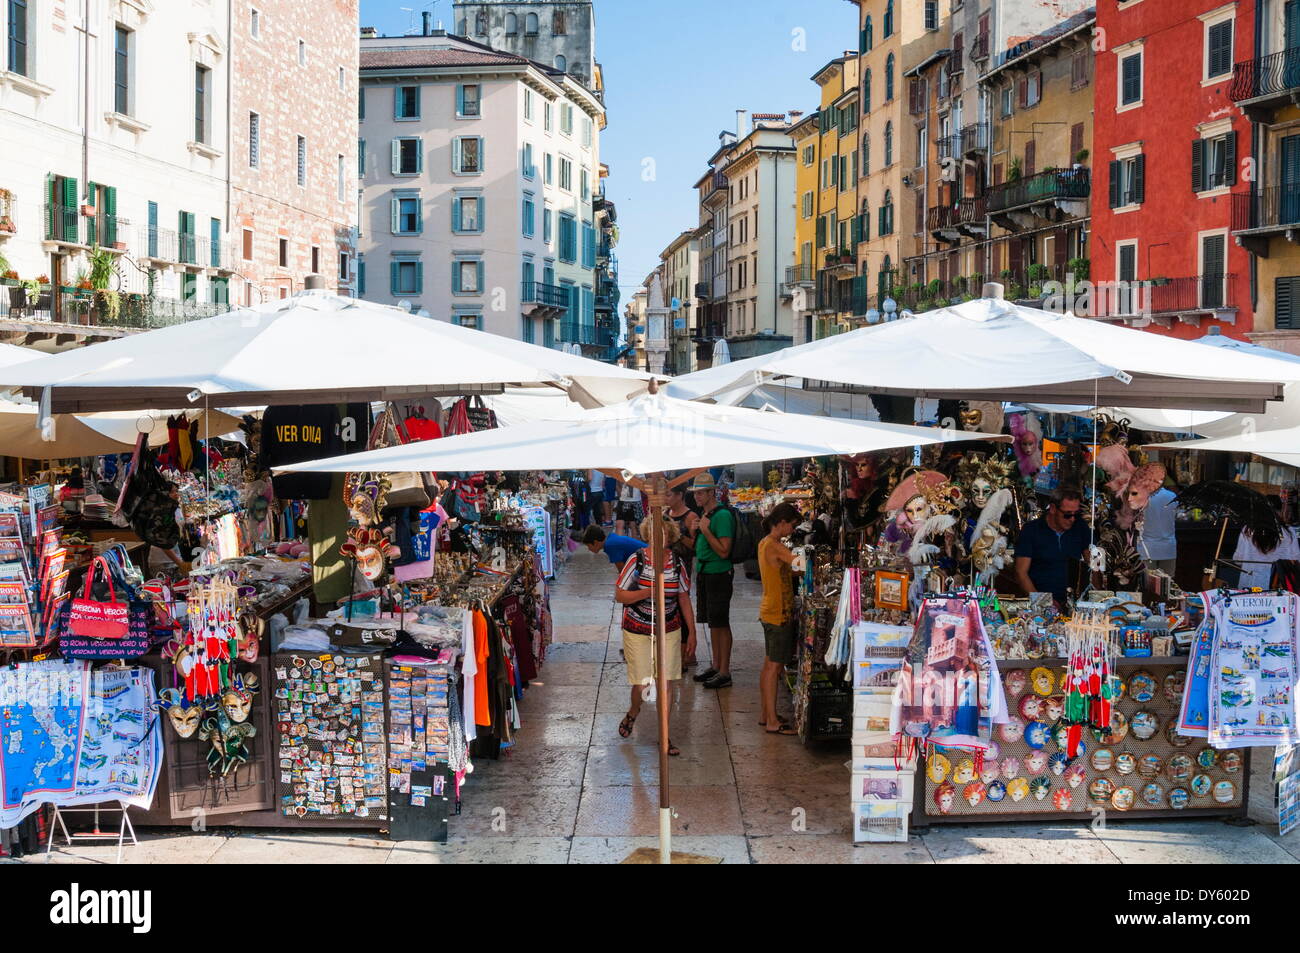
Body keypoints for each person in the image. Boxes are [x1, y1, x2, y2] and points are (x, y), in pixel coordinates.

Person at [614, 516, 696, 757]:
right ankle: (633, 711)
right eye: (654, 533)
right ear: (648, 535)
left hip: (669, 627)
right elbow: (620, 595)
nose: (658, 537)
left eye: (663, 533)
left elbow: (683, 597)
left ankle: (664, 736)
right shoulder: (636, 559)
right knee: (642, 683)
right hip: (637, 628)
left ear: (669, 536)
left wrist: (692, 632)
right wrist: (648, 591)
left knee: (667, 682)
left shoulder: (677, 563)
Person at [758, 502, 801, 735]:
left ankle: (766, 714)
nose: (793, 530)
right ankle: (773, 721)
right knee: (775, 667)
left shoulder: (767, 543)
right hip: (777, 613)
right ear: (782, 522)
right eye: (792, 526)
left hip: (770, 611)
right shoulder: (774, 545)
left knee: (768, 666)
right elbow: (799, 563)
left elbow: (787, 568)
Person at [691, 472, 735, 689]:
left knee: (721, 622)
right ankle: (716, 665)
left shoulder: (722, 516)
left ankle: (724, 671)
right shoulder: (705, 515)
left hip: (719, 573)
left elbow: (724, 551)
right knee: (712, 622)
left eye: (700, 493)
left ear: (711, 493)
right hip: (705, 573)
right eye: (695, 493)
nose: (697, 497)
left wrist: (706, 531)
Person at [1013, 487, 1090, 607]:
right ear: (1053, 509)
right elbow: (1021, 572)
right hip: (1040, 602)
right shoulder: (1031, 530)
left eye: (1076, 514)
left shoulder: (1080, 527)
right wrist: (1043, 602)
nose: (1072, 519)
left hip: (1074, 602)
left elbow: (1093, 564)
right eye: (1067, 515)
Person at [665, 484, 701, 666]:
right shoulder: (665, 514)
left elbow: (695, 546)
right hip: (665, 567)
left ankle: (687, 652)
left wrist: (677, 534)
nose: (666, 497)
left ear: (680, 495)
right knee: (670, 608)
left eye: (669, 494)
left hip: (682, 568)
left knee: (682, 606)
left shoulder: (690, 516)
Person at [1232, 495, 1300, 589]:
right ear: (1280, 511)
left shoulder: (1247, 530)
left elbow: (1237, 559)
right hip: (1277, 589)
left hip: (1248, 587)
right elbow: (1296, 560)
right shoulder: (1288, 533)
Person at [1139, 484, 1179, 576]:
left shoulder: (1141, 496)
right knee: (1167, 584)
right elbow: (1176, 516)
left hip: (1147, 548)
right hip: (1168, 548)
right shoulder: (1172, 496)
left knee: (1147, 585)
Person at [579, 524, 646, 572]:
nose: (589, 549)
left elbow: (622, 571)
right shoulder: (611, 540)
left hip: (648, 560)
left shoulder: (610, 546)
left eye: (589, 546)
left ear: (595, 542)